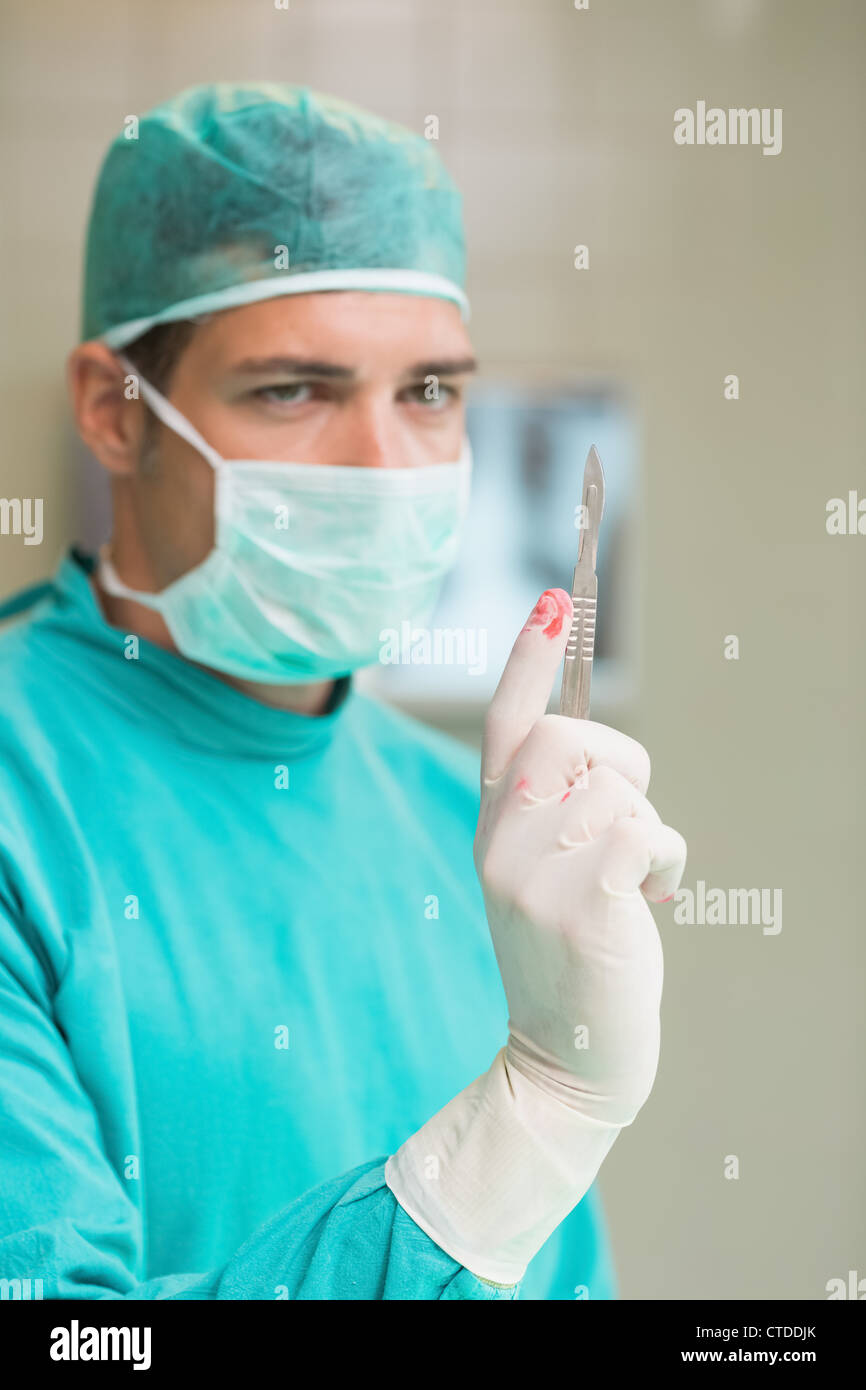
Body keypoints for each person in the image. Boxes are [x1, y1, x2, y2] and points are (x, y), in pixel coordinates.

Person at [0, 82, 686, 1300]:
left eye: (427, 391)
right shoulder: (25, 794)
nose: (384, 465)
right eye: (293, 390)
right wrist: (524, 1122)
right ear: (115, 411)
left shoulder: (466, 827)